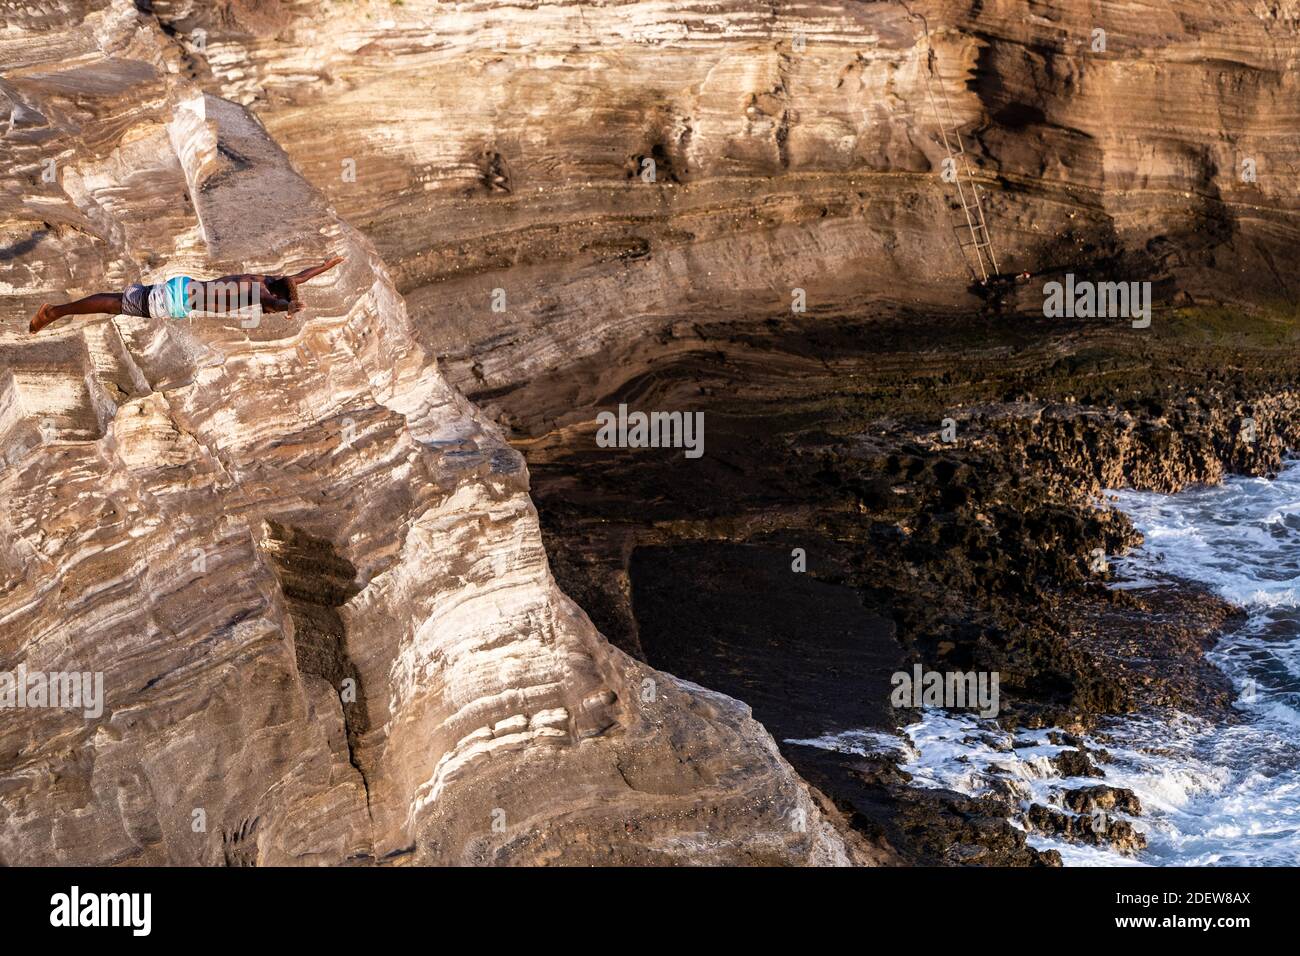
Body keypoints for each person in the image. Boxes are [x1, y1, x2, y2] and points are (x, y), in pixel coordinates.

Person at [28, 256, 346, 334]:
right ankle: (54, 312)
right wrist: (288, 305)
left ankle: (57, 311)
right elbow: (276, 300)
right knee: (115, 305)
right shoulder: (259, 294)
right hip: (175, 301)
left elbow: (297, 277)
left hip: (180, 288)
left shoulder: (263, 278)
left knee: (117, 300)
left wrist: (325, 266)